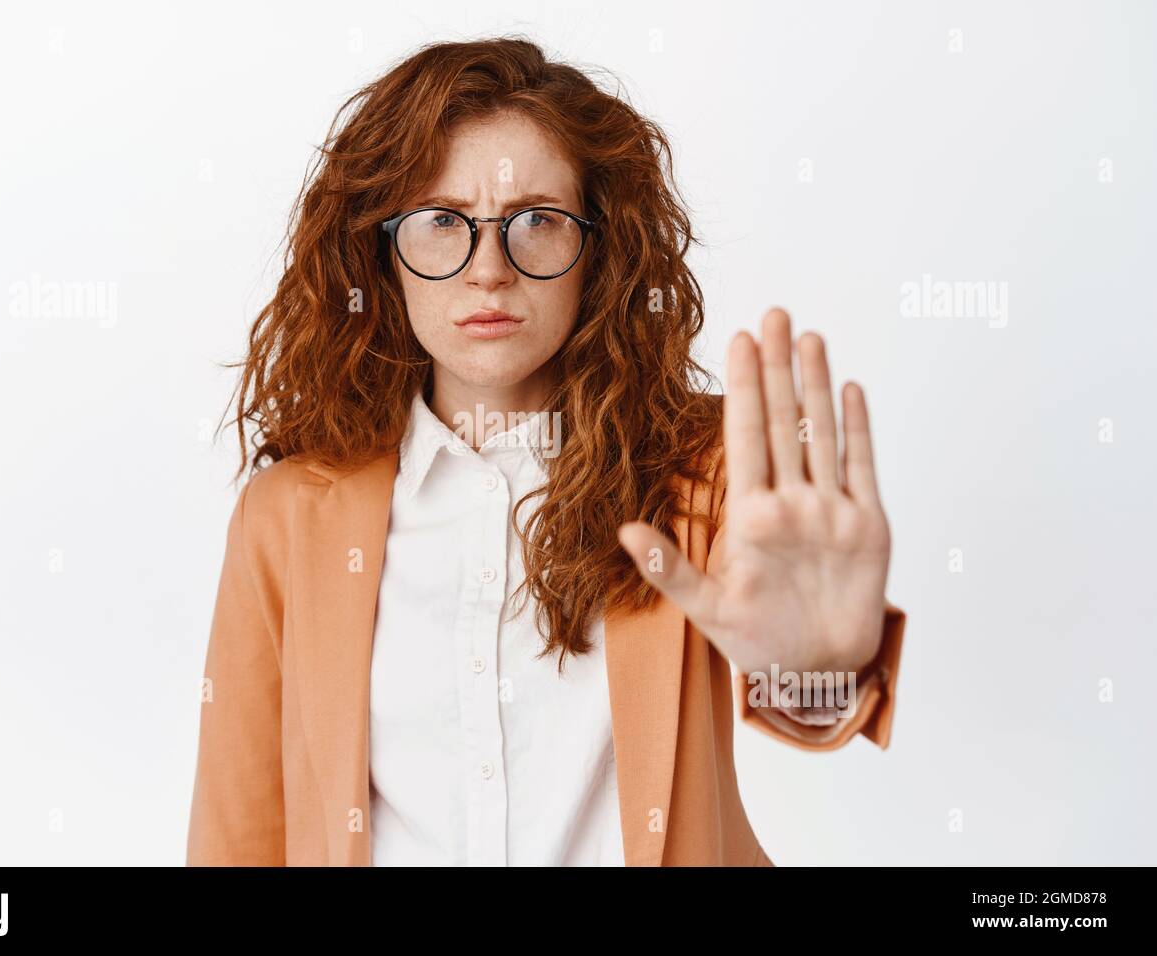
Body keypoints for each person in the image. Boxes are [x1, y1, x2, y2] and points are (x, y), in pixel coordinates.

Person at [186, 35, 905, 867]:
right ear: (382, 255)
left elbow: (816, 703)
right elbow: (238, 838)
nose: (488, 269)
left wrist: (821, 665)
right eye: (441, 222)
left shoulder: (706, 475)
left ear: (595, 249)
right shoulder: (289, 517)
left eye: (536, 221)